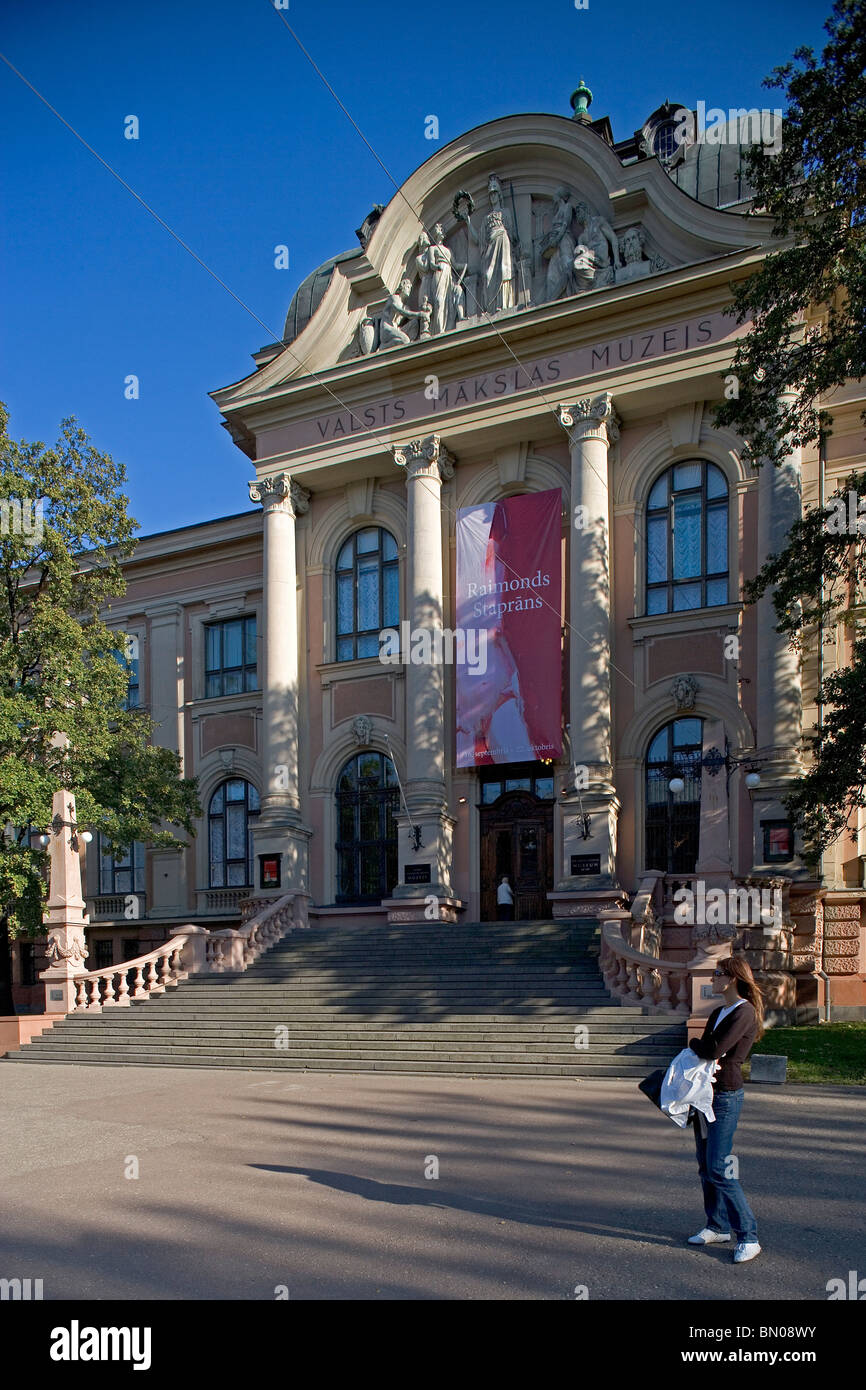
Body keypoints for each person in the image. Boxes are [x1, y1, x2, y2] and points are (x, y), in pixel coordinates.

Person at [686, 953, 764, 1264]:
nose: (713, 978)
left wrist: (695, 1045)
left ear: (731, 978)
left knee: (719, 1166)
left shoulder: (743, 1013)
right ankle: (716, 1226)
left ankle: (749, 1235)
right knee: (705, 1165)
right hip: (705, 1093)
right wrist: (699, 1046)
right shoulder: (720, 1010)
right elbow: (706, 1048)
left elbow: (714, 1049)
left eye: (717, 973)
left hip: (726, 1096)